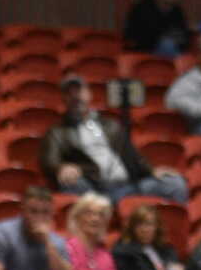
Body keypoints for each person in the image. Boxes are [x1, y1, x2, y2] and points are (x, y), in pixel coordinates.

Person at [42, 77, 189, 202]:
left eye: (79, 91)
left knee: (175, 183)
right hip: (94, 190)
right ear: (64, 99)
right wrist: (61, 167)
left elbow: (131, 154)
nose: (75, 96)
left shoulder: (110, 125)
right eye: (69, 93)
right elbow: (49, 161)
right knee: (71, 183)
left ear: (89, 94)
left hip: (129, 187)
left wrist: (151, 171)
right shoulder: (58, 132)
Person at [64, 194, 134, 270]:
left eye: (101, 215)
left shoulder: (103, 250)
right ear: (78, 217)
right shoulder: (71, 246)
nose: (95, 219)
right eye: (89, 213)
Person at [124, 0, 190, 56]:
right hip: (143, 51)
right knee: (167, 44)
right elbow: (135, 37)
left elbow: (184, 36)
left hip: (172, 50)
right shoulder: (140, 9)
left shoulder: (177, 11)